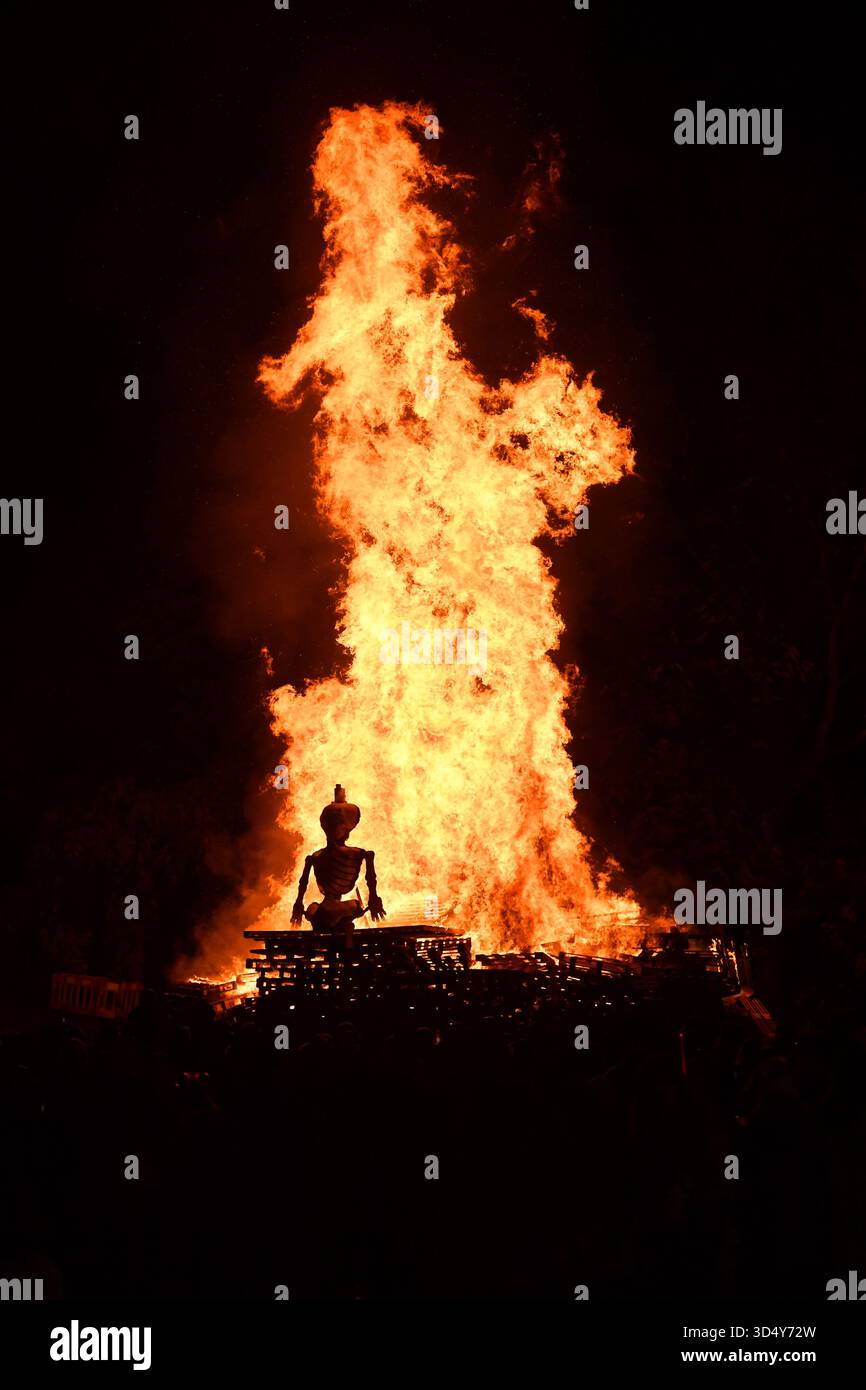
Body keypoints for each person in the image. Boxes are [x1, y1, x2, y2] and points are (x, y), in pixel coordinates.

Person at [290, 784, 386, 933]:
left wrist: (298, 905)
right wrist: (373, 899)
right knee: (355, 906)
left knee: (347, 907)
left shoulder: (315, 857)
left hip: (318, 912)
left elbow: (303, 883)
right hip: (338, 911)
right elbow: (371, 879)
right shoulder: (359, 853)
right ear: (347, 829)